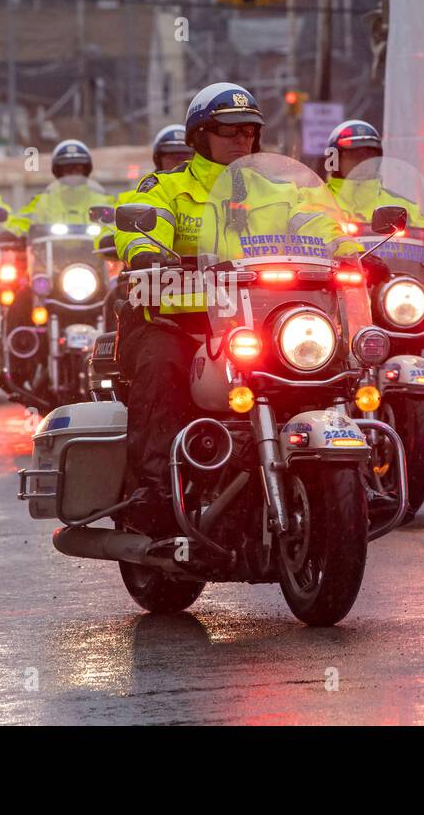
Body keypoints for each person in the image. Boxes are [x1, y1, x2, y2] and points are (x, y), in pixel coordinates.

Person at [112, 82, 355, 535]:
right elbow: (139, 221)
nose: (241, 139)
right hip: (182, 321)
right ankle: (154, 490)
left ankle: (350, 480)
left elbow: (320, 221)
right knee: (161, 364)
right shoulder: (167, 188)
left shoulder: (279, 189)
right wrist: (146, 251)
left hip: (262, 317)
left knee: (330, 362)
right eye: (228, 131)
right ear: (200, 136)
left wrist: (349, 248)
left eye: (248, 131)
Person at [322, 119, 424, 228]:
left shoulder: (405, 209)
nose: (362, 162)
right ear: (334, 161)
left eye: (369, 155)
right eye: (353, 155)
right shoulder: (311, 201)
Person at [7, 139, 114, 236]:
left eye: (78, 168)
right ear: (58, 171)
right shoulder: (42, 201)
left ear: (86, 170)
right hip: (48, 255)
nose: (73, 173)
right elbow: (23, 220)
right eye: (67, 168)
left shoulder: (104, 201)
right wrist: (13, 233)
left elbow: (118, 225)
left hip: (95, 256)